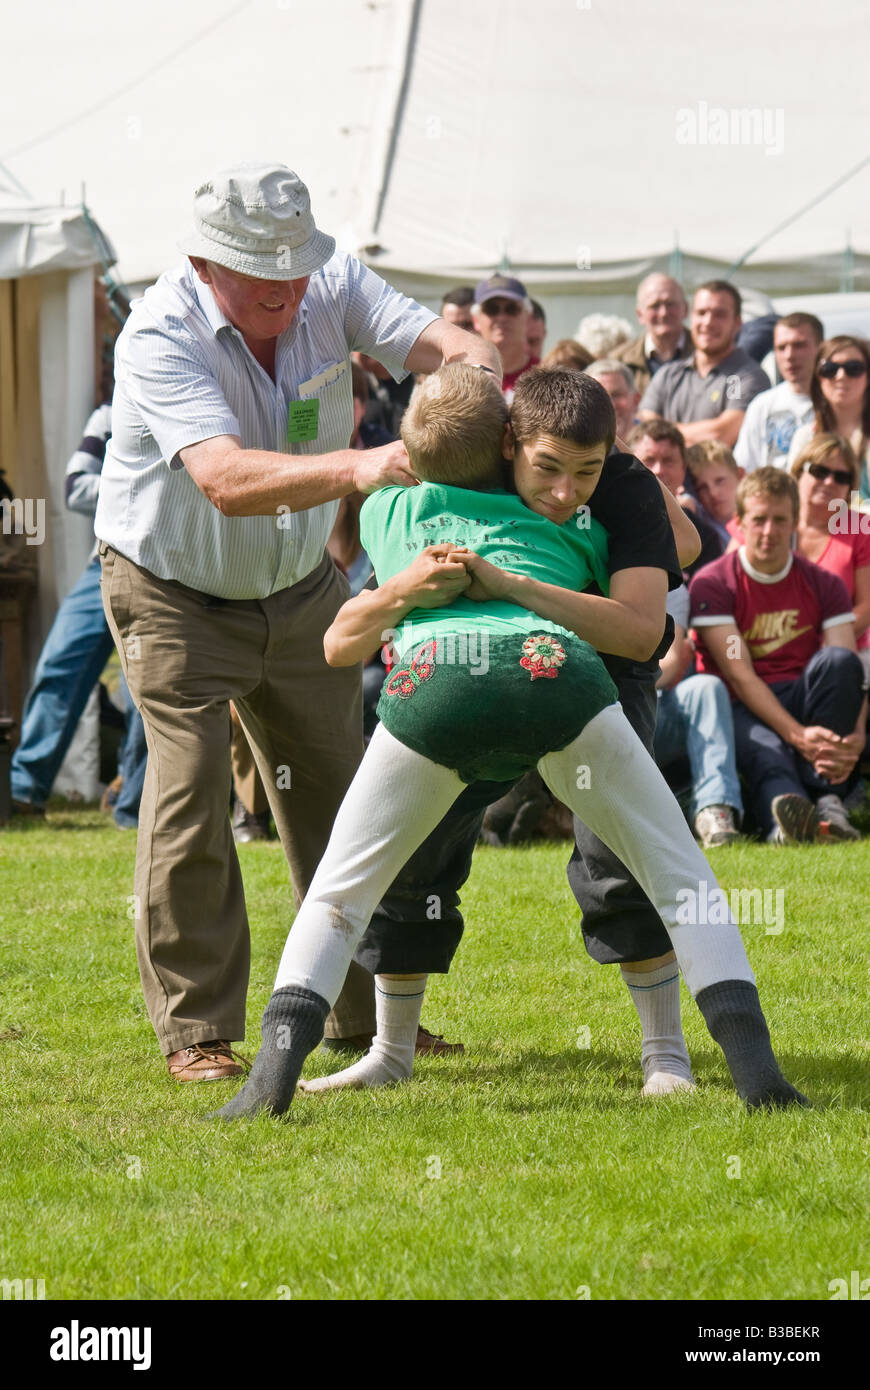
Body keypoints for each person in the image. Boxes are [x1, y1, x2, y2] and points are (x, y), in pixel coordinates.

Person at [211, 365, 807, 1122]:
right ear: (507, 445)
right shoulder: (586, 520)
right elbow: (668, 565)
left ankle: (268, 1082)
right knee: (682, 876)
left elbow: (337, 642)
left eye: (586, 471)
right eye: (549, 468)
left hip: (437, 687)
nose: (565, 491)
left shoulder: (391, 508)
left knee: (339, 889)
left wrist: (409, 584)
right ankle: (759, 1076)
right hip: (556, 675)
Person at [94, 162, 499, 1083]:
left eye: (295, 267)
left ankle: (366, 1021)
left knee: (347, 797)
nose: (286, 287)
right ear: (203, 264)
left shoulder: (333, 280)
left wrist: (467, 387)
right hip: (172, 587)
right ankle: (198, 1030)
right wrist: (369, 466)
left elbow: (460, 348)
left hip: (303, 584)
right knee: (190, 793)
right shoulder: (159, 334)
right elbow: (227, 481)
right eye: (259, 271)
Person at [689, 468, 867, 843]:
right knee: (770, 755)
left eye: (780, 520)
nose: (769, 531)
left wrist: (856, 733)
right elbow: (741, 676)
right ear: (740, 522)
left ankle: (827, 800)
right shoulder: (714, 583)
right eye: (759, 519)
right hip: (741, 702)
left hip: (801, 695)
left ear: (794, 523)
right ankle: (792, 819)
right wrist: (799, 736)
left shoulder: (824, 584)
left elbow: (845, 661)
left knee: (838, 664)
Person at [9, 401, 146, 828]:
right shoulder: (108, 415)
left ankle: (134, 807)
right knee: (59, 666)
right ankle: (23, 792)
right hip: (102, 562)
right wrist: (145, 481)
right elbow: (74, 486)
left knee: (145, 689)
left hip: (161, 567)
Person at [653, 583, 742, 847]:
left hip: (652, 708)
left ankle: (714, 809)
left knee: (707, 687)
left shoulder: (671, 590)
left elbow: (669, 664)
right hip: (599, 711)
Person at [639, 282, 770, 446]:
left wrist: (663, 432)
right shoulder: (667, 375)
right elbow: (645, 427)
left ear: (737, 323)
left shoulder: (749, 377)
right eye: (701, 313)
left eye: (719, 314)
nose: (708, 322)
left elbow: (721, 435)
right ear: (691, 317)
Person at [789, 435, 870, 682]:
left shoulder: (860, 528)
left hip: (843, 649)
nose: (829, 482)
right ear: (798, 471)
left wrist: (823, 642)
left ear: (849, 488)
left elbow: (867, 607)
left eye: (841, 477)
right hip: (771, 646)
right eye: (819, 471)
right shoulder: (771, 519)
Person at [628, 421, 723, 578]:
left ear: (683, 469)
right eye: (649, 460)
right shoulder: (603, 524)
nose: (658, 470)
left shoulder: (705, 538)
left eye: (668, 461)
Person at [734, 313, 822, 473]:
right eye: (781, 348)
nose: (789, 356)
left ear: (821, 347)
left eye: (799, 345)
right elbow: (744, 467)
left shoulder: (837, 403)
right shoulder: (762, 404)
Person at [787, 336, 870, 502]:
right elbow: (793, 498)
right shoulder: (806, 437)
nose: (840, 376)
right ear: (818, 377)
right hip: (822, 526)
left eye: (853, 368)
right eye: (829, 369)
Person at [612, 273, 691, 396]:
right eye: (654, 306)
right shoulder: (619, 361)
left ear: (685, 309)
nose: (663, 313)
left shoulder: (710, 353)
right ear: (640, 315)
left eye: (670, 304)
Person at [471, 274, 539, 401]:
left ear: (528, 318)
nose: (502, 318)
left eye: (511, 309)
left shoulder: (544, 377)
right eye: (491, 309)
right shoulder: (464, 380)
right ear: (476, 320)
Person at [685, 440, 740, 546]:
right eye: (702, 487)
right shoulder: (699, 520)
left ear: (740, 475)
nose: (713, 493)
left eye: (719, 481)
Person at [585, 359, 640, 439]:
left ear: (636, 400)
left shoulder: (656, 442)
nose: (610, 405)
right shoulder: (572, 448)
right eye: (599, 397)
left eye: (617, 395)